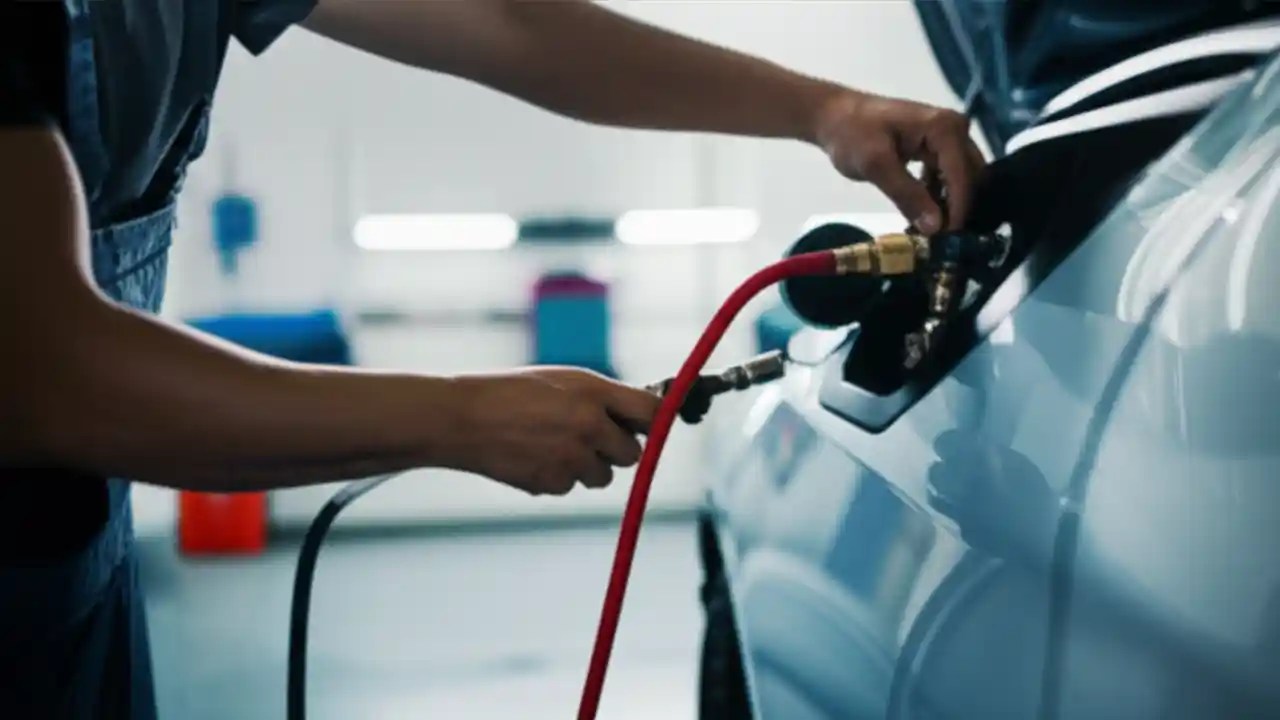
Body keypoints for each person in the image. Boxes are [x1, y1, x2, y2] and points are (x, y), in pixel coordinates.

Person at [0, 1, 985, 716]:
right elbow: (48, 377)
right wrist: (461, 417)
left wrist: (825, 110)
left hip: (83, 556)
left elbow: (508, 23)